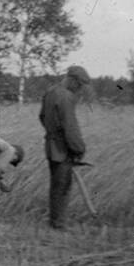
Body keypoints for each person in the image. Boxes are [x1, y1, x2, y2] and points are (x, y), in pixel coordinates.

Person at [39, 64, 90, 229]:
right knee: (63, 186)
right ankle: (59, 224)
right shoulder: (67, 97)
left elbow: (42, 116)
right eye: (80, 84)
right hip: (62, 149)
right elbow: (70, 127)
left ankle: (55, 222)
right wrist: (79, 148)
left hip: (50, 146)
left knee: (56, 186)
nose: (80, 89)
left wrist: (51, 131)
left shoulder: (50, 92)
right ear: (73, 80)